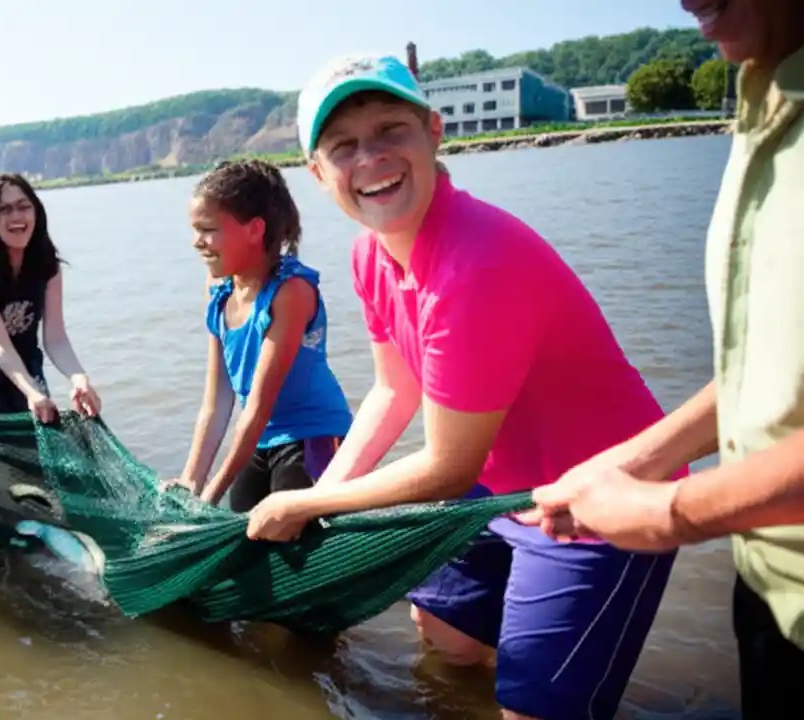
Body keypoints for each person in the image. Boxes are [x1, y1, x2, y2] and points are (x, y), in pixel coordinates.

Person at [244, 54, 681, 719]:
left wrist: (302, 509)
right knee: (445, 634)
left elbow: (448, 468)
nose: (371, 159)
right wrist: (324, 495)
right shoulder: (372, 253)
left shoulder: (476, 261)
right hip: (502, 482)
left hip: (607, 488)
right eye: (344, 146)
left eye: (392, 130)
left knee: (532, 711)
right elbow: (393, 391)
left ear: (434, 131)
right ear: (316, 171)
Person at [521, 2, 804, 716]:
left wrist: (667, 512)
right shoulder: (766, 90)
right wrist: (633, 462)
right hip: (771, 589)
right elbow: (769, 370)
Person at [171, 159, 352, 511]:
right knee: (240, 531)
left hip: (313, 436)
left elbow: (258, 405)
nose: (197, 242)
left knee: (289, 534)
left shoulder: (290, 291)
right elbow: (217, 400)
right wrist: (191, 483)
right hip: (263, 440)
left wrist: (211, 496)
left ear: (255, 230)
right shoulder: (218, 290)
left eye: (207, 229)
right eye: (195, 230)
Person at [0, 172, 100, 423]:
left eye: (23, 206)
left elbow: (56, 338)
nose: (16, 216)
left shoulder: (48, 266)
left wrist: (79, 378)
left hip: (27, 366)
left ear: (36, 213)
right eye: (4, 210)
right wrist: (31, 392)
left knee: (41, 439)